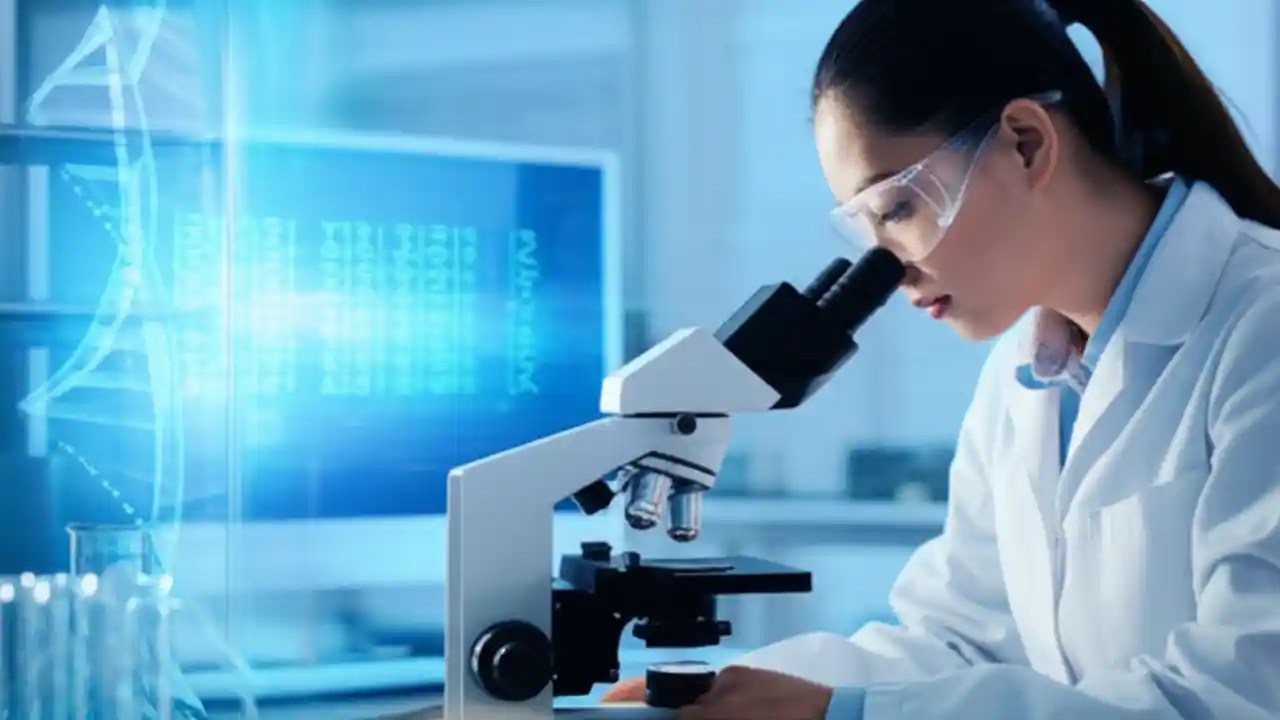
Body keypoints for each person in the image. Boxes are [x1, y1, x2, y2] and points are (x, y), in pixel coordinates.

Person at [603, 0, 1280, 717]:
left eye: (898, 208)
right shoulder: (1027, 376)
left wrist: (841, 715)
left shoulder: (1260, 327)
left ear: (1025, 143)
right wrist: (727, 691)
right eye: (865, 228)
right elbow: (959, 638)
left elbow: (1242, 693)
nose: (890, 270)